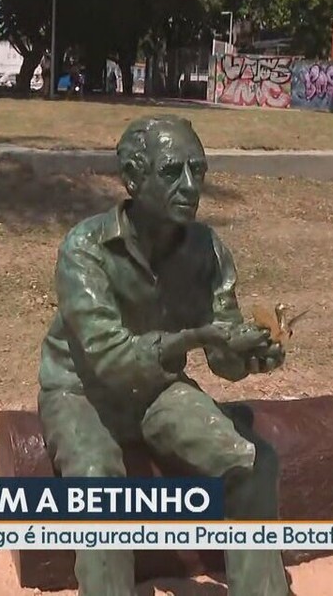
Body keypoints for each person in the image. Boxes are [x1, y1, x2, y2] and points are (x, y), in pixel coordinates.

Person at [37, 116, 291, 596]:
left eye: (199, 171)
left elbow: (224, 354)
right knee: (99, 487)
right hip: (82, 392)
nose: (191, 186)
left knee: (249, 462)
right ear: (133, 178)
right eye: (173, 171)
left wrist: (252, 353)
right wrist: (198, 337)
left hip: (157, 391)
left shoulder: (208, 250)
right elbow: (108, 357)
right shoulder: (85, 249)